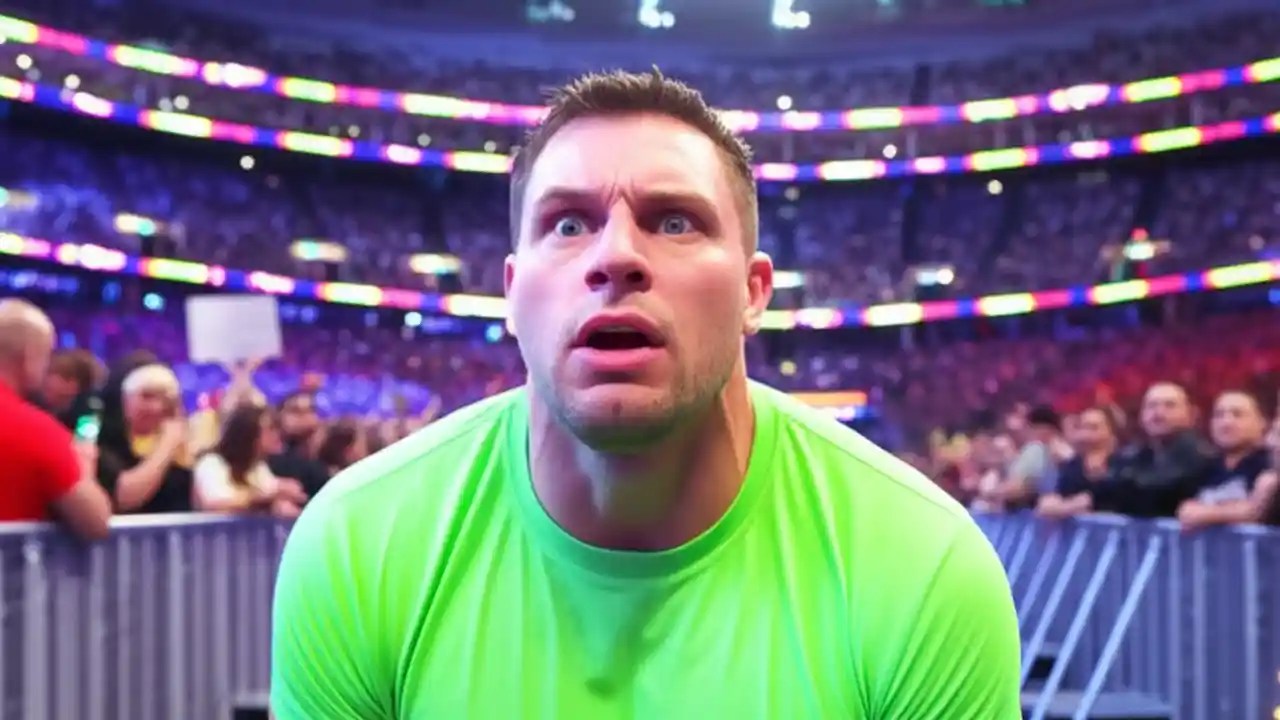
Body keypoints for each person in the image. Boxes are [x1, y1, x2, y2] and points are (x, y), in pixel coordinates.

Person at [271, 70, 1020, 719]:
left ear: (754, 293)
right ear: (510, 293)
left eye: (673, 221)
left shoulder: (923, 566)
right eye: (568, 223)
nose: (617, 256)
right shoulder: (355, 545)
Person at [0, 299, 112, 539]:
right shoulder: (33, 430)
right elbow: (95, 521)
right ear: (28, 358)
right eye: (46, 357)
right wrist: (83, 465)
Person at [96, 362, 194, 514]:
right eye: (147, 397)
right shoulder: (102, 446)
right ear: (124, 399)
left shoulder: (188, 447)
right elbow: (125, 497)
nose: (157, 407)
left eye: (165, 399)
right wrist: (167, 444)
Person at [1110, 382, 1217, 518]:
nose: (1158, 413)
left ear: (1191, 414)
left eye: (1169, 406)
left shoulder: (1200, 455)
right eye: (1151, 406)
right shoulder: (1134, 454)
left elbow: (1154, 498)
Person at [1177, 390, 1272, 529]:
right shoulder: (1204, 466)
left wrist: (1205, 514)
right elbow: (1185, 510)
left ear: (1261, 422)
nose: (1226, 423)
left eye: (1238, 415)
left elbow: (1255, 511)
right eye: (1219, 415)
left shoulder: (1270, 463)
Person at [192, 403, 308, 517]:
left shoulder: (258, 467)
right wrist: (265, 496)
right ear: (248, 432)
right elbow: (215, 504)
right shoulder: (211, 463)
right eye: (270, 429)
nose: (276, 435)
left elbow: (273, 496)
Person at [1036, 406, 1122, 519]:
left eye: (1093, 428)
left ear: (1111, 434)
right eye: (1083, 428)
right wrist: (1071, 506)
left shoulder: (1123, 467)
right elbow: (1046, 505)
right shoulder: (1072, 467)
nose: (1086, 435)